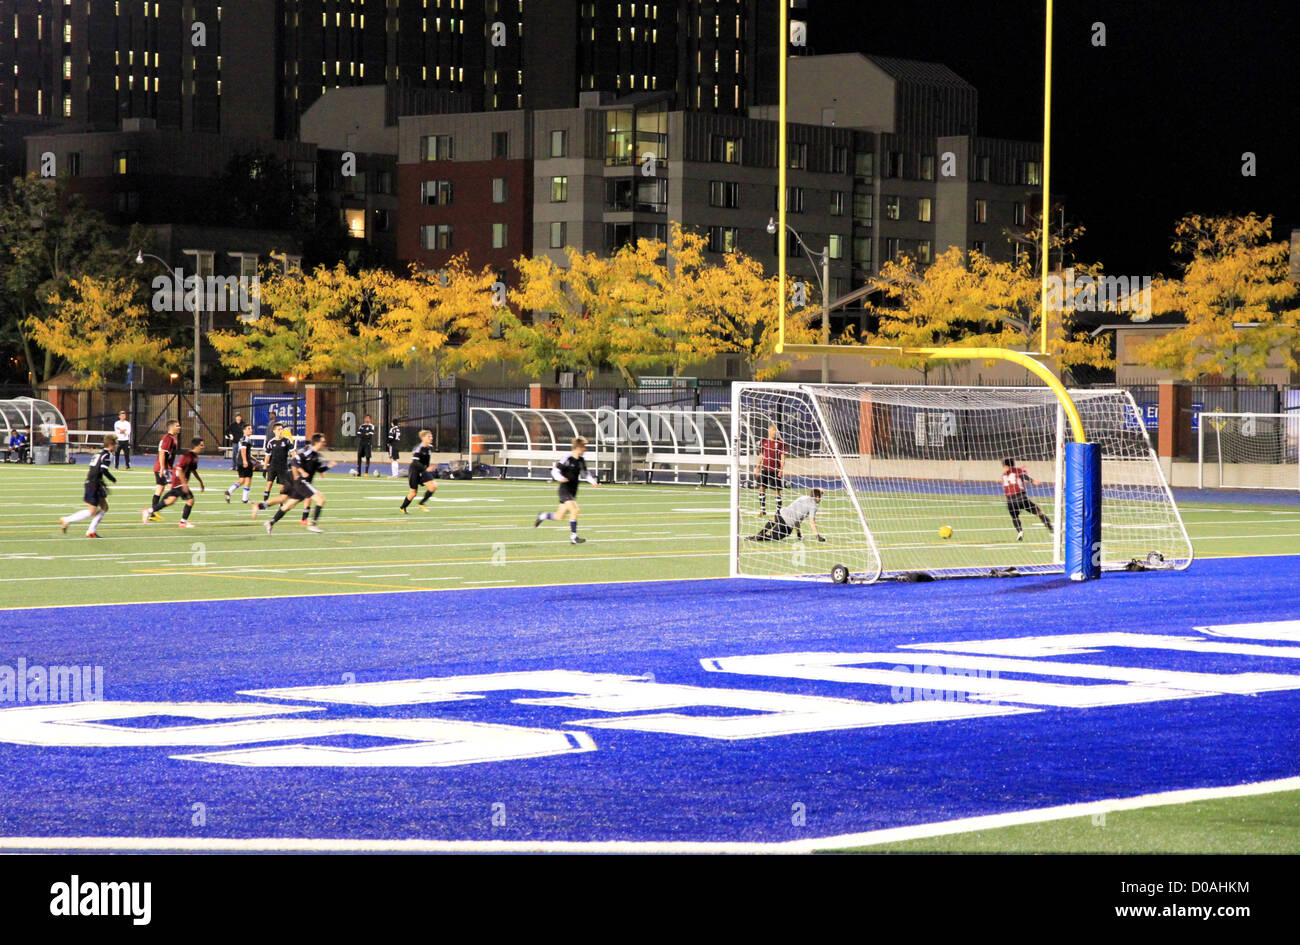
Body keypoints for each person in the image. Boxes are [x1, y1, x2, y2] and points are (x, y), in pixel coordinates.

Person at [258, 433, 331, 533]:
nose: (324, 443)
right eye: (322, 441)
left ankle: (271, 522)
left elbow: (319, 469)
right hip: (302, 482)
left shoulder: (317, 455)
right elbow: (294, 461)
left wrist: (328, 467)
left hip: (304, 483)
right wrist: (301, 472)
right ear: (317, 442)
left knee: (288, 505)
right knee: (321, 499)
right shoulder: (307, 451)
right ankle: (312, 524)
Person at [533, 436, 598, 544]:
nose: (585, 449)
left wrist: (592, 481)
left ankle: (543, 515)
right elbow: (555, 471)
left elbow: (585, 474)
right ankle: (574, 537)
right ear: (578, 447)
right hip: (564, 490)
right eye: (584, 447)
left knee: (559, 517)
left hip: (573, 491)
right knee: (575, 510)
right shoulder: (567, 458)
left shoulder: (581, 460)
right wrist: (560, 478)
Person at [60, 434, 117, 538]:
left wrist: (103, 484)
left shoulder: (99, 454)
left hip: (95, 482)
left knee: (104, 507)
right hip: (93, 484)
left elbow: (95, 469)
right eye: (115, 444)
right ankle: (67, 520)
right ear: (111, 445)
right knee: (92, 511)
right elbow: (103, 469)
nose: (116, 446)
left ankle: (91, 531)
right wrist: (112, 479)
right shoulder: (107, 455)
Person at [145, 437, 205, 527]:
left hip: (178, 482)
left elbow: (193, 470)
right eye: (201, 445)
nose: (203, 447)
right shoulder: (188, 456)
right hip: (179, 481)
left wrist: (200, 482)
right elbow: (179, 469)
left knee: (170, 501)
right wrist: (184, 483)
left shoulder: (194, 457)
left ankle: (149, 511)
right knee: (190, 500)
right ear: (196, 446)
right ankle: (183, 522)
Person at [1001, 458, 1053, 542]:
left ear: (1005, 466)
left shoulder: (1004, 475)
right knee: (1039, 512)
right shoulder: (1018, 470)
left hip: (1010, 500)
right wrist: (1033, 481)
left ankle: (1020, 531)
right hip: (1021, 498)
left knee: (1015, 517)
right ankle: (1051, 530)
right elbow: (1023, 476)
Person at [745, 488, 824, 542]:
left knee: (773, 520)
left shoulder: (803, 497)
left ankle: (760, 533)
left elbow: (797, 519)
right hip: (788, 524)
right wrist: (818, 536)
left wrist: (799, 534)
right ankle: (761, 537)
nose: (821, 499)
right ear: (817, 497)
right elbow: (812, 522)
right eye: (820, 497)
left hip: (781, 512)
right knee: (774, 537)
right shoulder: (813, 506)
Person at [147, 419, 182, 520]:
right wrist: (163, 468)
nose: (179, 427)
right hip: (164, 468)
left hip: (162, 467)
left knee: (160, 489)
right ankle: (153, 511)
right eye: (177, 426)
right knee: (174, 490)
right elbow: (162, 452)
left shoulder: (171, 438)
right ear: (171, 427)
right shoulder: (168, 438)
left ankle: (153, 513)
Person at [400, 429, 438, 513]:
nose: (431, 438)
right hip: (415, 471)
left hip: (423, 471)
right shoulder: (418, 448)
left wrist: (428, 468)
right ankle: (403, 507)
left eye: (431, 436)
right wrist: (426, 469)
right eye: (429, 436)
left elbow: (426, 460)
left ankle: (421, 503)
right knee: (413, 493)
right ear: (423, 438)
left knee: (433, 486)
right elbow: (415, 462)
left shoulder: (430, 448)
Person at [756, 422, 785, 517]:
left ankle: (778, 511)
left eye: (776, 431)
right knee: (761, 488)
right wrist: (757, 467)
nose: (774, 433)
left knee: (777, 490)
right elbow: (761, 455)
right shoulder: (763, 441)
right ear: (769, 431)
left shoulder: (780, 442)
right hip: (765, 469)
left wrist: (781, 470)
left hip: (775, 470)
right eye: (773, 431)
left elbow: (782, 457)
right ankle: (762, 510)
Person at [260, 422, 292, 504]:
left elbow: (293, 452)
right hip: (273, 466)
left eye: (281, 429)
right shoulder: (271, 442)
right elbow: (267, 456)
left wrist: (295, 463)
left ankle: (281, 505)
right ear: (274, 431)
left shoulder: (287, 441)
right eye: (278, 429)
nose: (280, 431)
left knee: (282, 487)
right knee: (269, 484)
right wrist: (264, 468)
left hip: (283, 467)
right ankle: (265, 503)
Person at [224, 423, 256, 504]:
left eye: (251, 428)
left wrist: (255, 459)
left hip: (240, 461)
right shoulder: (245, 439)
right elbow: (243, 450)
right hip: (244, 462)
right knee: (248, 480)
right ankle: (245, 499)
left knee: (241, 480)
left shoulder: (243, 439)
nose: (251, 430)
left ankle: (229, 491)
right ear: (244, 430)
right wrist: (245, 461)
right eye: (249, 428)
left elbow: (245, 451)